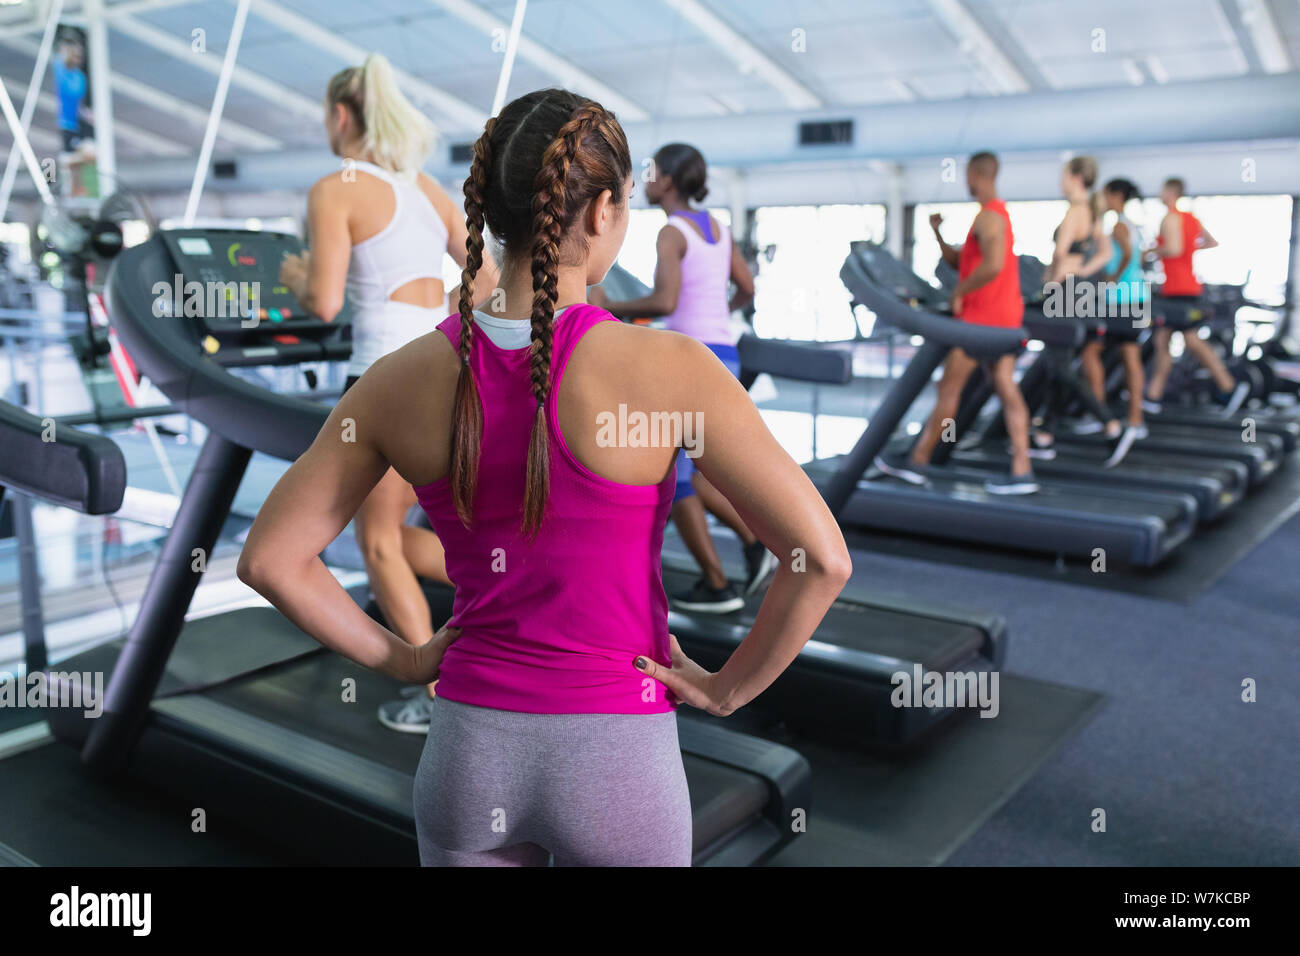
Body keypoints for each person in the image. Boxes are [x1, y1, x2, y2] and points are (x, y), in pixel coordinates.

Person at [237, 88, 851, 867]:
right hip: (619, 766)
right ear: (601, 213)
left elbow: (270, 559)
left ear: (493, 213)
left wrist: (408, 659)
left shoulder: (398, 379)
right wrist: (727, 688)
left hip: (469, 755)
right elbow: (821, 559)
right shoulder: (670, 370)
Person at [277, 52, 497, 734]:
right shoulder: (424, 186)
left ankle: (438, 694)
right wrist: (438, 323)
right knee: (409, 534)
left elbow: (322, 298)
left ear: (341, 116)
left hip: (381, 378)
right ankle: (504, 593)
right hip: (450, 369)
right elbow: (487, 281)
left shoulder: (334, 188)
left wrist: (293, 274)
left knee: (378, 545)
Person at [589, 143, 774, 613]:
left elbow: (665, 303)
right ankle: (756, 543)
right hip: (726, 354)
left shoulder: (671, 233)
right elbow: (746, 288)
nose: (645, 183)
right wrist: (716, 318)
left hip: (688, 358)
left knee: (675, 479)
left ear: (668, 180)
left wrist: (610, 308)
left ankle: (717, 585)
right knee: (698, 467)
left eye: (650, 175)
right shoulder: (718, 227)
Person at [874, 151, 1037, 495]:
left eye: (967, 174)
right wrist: (937, 234)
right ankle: (1022, 469)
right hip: (1004, 319)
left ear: (977, 174)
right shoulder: (993, 217)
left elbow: (991, 266)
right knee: (1006, 387)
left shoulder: (989, 217)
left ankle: (919, 460)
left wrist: (960, 292)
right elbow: (961, 260)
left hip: (981, 322)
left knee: (949, 389)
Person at [1142, 177, 1248, 415]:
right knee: (1167, 340)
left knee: (1179, 341)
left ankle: (1228, 386)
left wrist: (1149, 251)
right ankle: (1154, 395)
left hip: (1176, 289)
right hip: (1188, 287)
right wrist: (1189, 250)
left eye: (1161, 190)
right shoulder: (1191, 218)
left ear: (1171, 192)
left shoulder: (1170, 217)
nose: (1159, 194)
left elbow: (1174, 249)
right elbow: (1210, 242)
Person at [1074, 178, 1149, 465]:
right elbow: (1136, 257)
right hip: (1136, 298)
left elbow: (1127, 255)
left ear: (1116, 194)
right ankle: (1135, 420)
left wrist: (1111, 279)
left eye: (1106, 194)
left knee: (1090, 351)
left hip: (1120, 300)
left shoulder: (1118, 224)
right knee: (1130, 358)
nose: (1103, 199)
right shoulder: (1131, 224)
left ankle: (1100, 413)